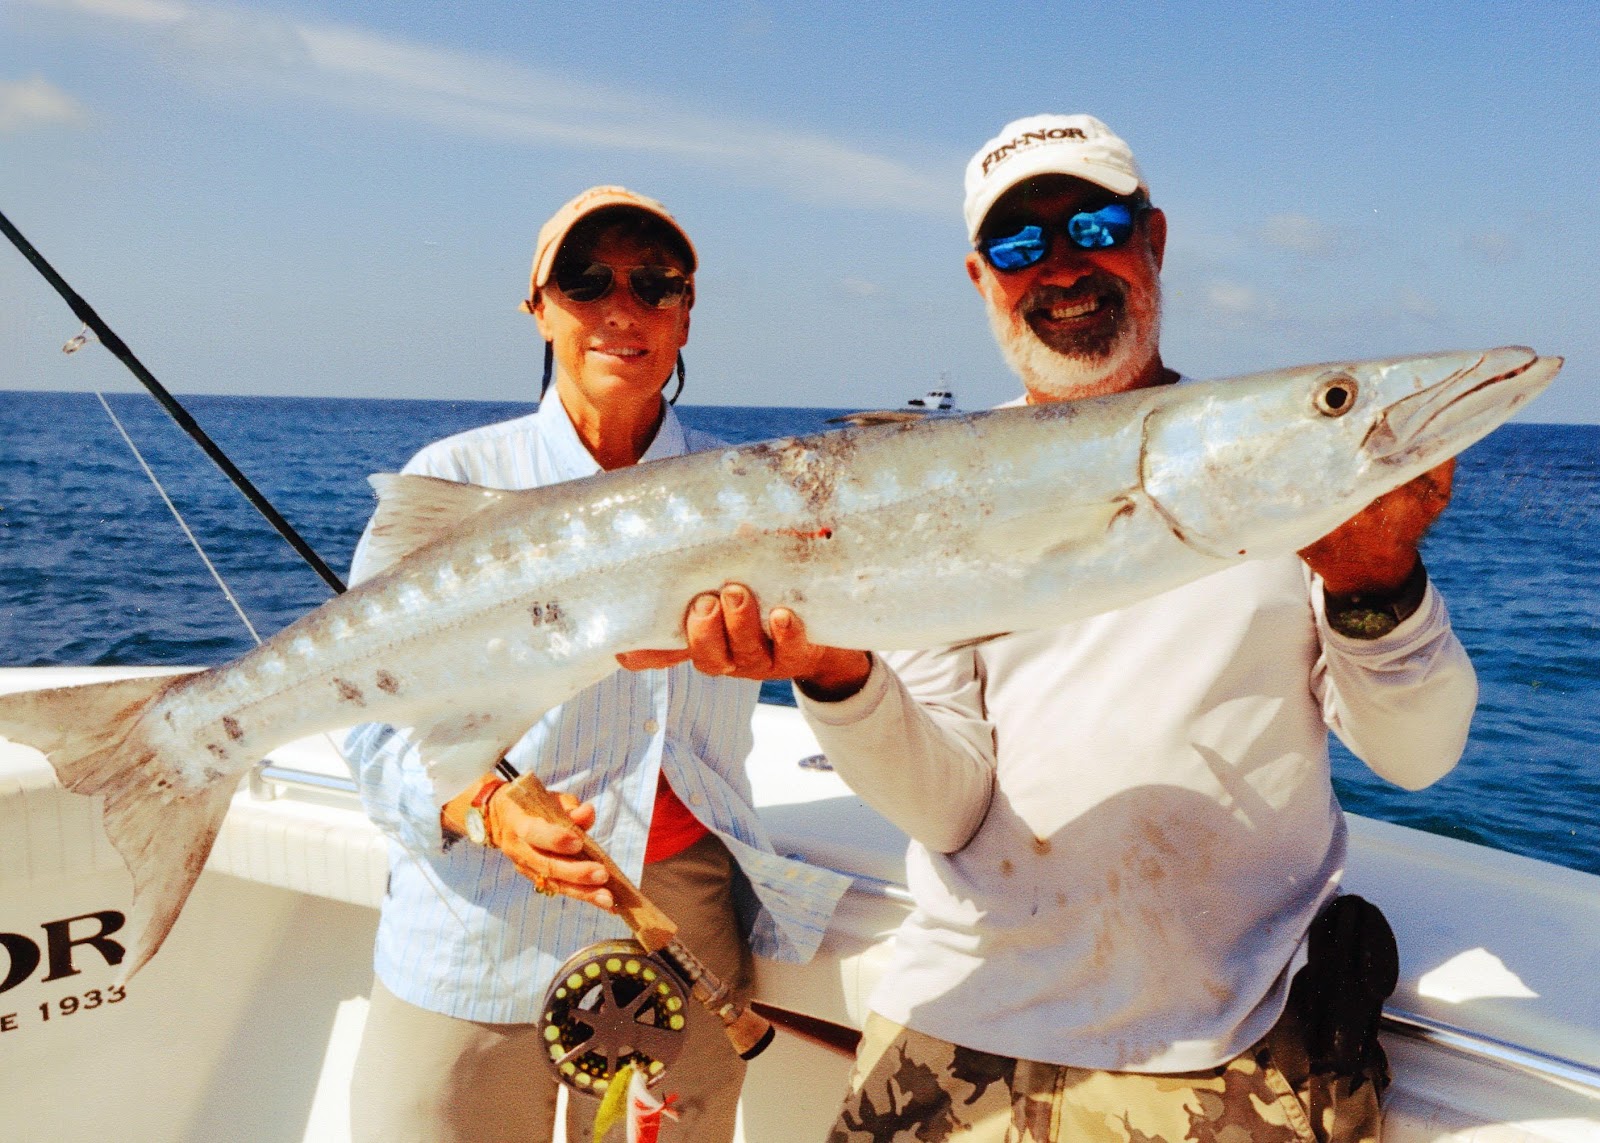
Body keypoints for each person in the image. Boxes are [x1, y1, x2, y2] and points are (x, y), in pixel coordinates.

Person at [629, 116, 1478, 1141]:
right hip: (962, 1015)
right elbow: (948, 810)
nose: (1061, 268)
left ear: (1152, 238)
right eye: (1019, 247)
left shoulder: (1284, 482)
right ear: (982, 279)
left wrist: (1374, 582)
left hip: (1219, 1040)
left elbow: (1418, 755)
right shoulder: (929, 494)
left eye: (1091, 225)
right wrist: (840, 677)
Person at [342, 185, 848, 1143]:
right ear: (538, 305)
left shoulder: (758, 495)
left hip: (686, 937)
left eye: (656, 284)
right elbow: (369, 730)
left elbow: (842, 656)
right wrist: (482, 808)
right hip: (472, 935)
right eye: (586, 280)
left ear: (686, 313)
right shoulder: (449, 482)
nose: (623, 308)